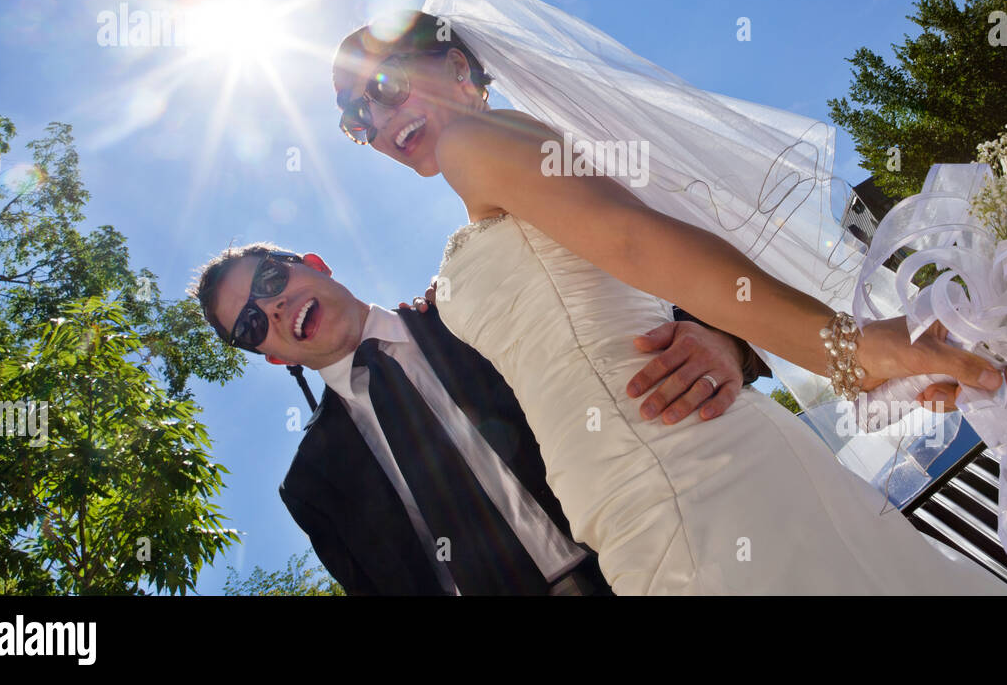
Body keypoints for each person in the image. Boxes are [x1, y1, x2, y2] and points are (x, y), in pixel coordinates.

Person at [329, 0, 1007, 594]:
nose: (381, 122)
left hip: (683, 479)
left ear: (455, 66)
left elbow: (637, 242)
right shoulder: (499, 165)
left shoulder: (470, 144)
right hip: (647, 486)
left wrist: (853, 352)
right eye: (357, 119)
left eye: (384, 86)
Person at [189, 241, 768, 595]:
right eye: (251, 324)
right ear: (270, 355)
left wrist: (723, 337)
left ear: (313, 264)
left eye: (271, 281)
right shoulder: (312, 485)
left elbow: (614, 290)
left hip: (661, 565)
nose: (273, 307)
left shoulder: (469, 314)